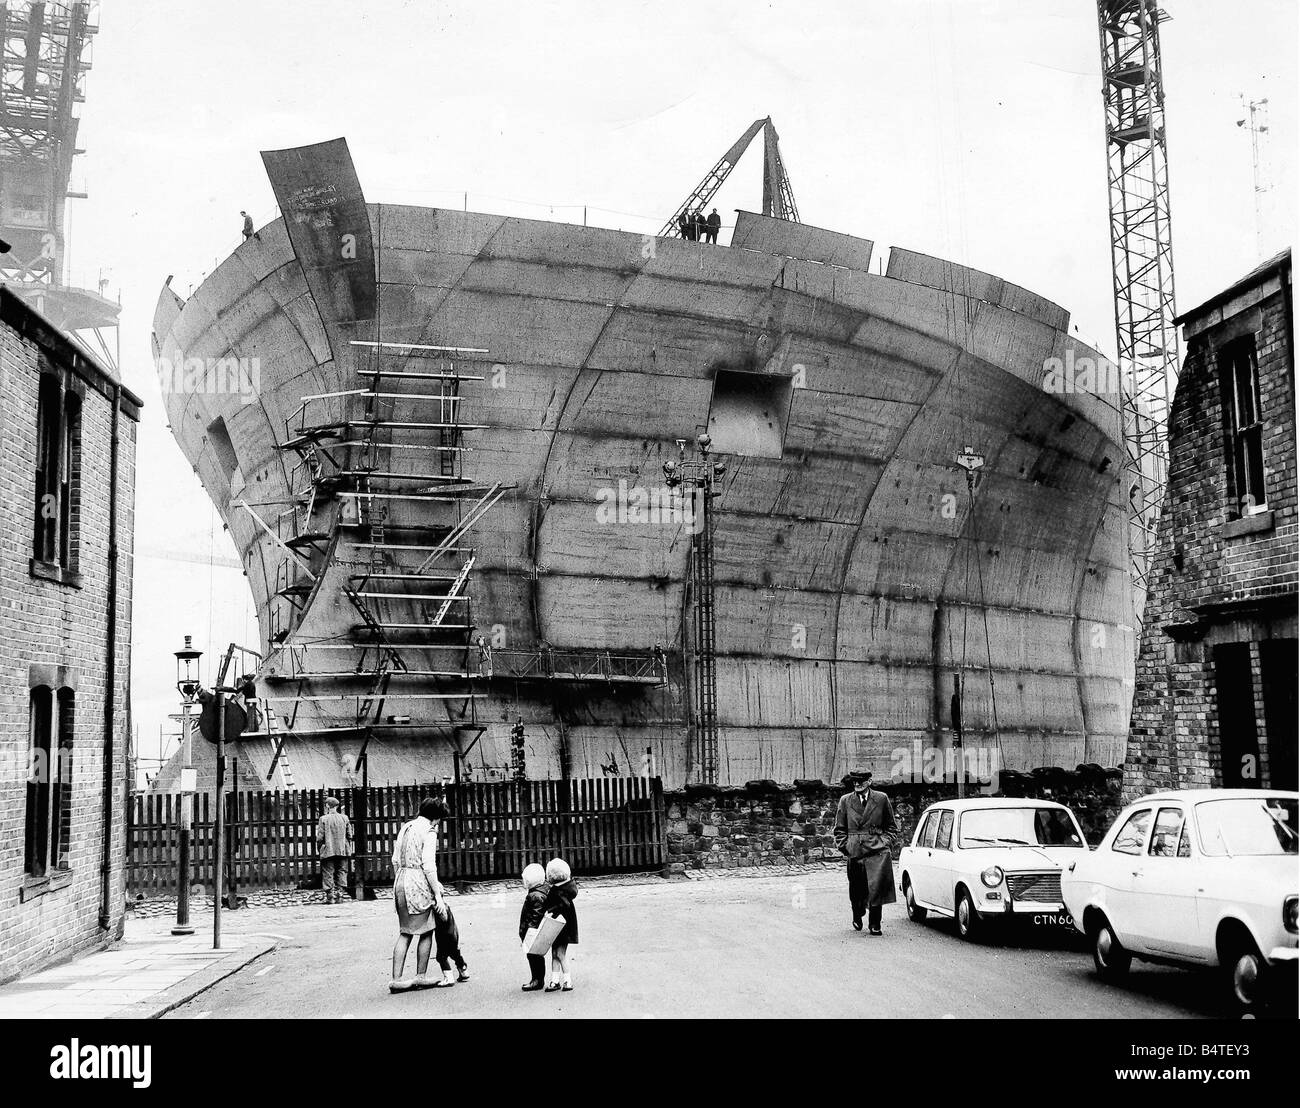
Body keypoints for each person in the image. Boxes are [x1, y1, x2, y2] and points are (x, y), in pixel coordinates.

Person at [389, 797, 448, 992]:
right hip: (417, 883)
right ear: (436, 817)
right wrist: (437, 894)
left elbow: (395, 859)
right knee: (426, 928)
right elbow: (429, 865)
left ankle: (396, 979)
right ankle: (420, 976)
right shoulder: (429, 831)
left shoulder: (406, 826)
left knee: (405, 931)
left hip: (401, 880)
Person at [833, 771, 898, 935]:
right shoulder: (845, 800)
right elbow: (839, 829)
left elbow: (891, 827)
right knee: (857, 890)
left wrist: (884, 843)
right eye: (854, 781)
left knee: (876, 888)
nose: (857, 784)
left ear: (869, 781)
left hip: (876, 851)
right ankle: (857, 912)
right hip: (855, 851)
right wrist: (846, 846)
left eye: (861, 781)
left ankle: (875, 924)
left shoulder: (881, 799)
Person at [543, 857, 579, 992]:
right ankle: (555, 980)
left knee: (560, 954)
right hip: (561, 927)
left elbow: (560, 906)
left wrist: (550, 911)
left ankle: (567, 981)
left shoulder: (559, 892)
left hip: (561, 928)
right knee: (556, 953)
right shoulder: (566, 889)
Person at [518, 862, 551, 992]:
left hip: (531, 931)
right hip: (532, 930)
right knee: (534, 956)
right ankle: (537, 979)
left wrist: (529, 930)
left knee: (533, 956)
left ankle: (537, 980)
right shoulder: (540, 891)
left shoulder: (535, 895)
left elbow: (536, 915)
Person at [316, 796, 353, 904]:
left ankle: (330, 896)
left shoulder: (323, 819)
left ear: (327, 806)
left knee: (328, 872)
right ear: (337, 806)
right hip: (343, 849)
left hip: (328, 849)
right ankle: (340, 894)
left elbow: (320, 837)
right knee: (342, 871)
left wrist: (320, 848)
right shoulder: (344, 818)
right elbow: (349, 835)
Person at [432, 898, 469, 987]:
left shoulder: (438, 907)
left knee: (441, 957)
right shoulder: (445, 905)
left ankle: (449, 978)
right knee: (455, 954)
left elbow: (443, 919)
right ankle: (463, 971)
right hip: (453, 934)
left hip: (444, 936)